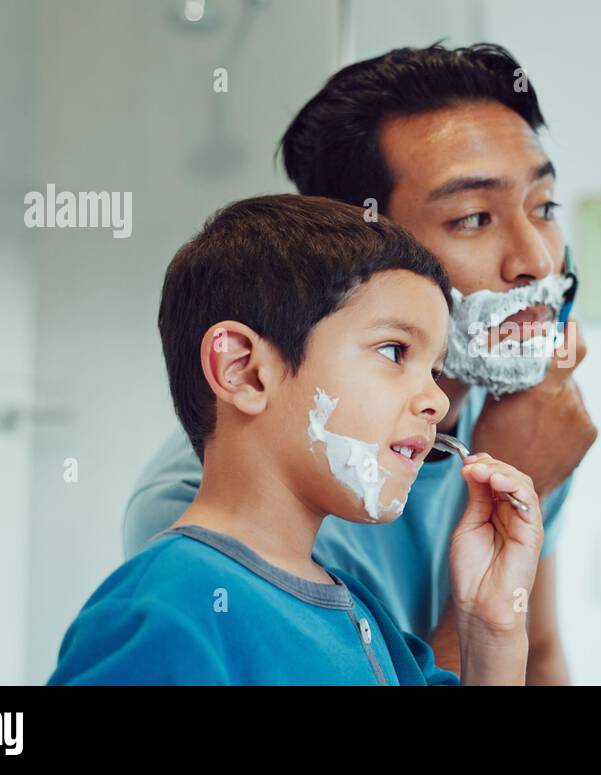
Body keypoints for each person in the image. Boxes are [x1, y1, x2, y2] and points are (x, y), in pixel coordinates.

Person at [123, 44, 597, 683]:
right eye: (474, 217)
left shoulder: (525, 424)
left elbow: (538, 657)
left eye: (543, 207)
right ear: (360, 244)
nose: (537, 259)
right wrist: (527, 484)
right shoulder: (213, 514)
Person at [50, 195, 542, 684]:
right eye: (394, 351)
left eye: (435, 370)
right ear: (244, 371)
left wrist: (491, 627)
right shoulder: (165, 608)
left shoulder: (363, 616)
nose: (434, 399)